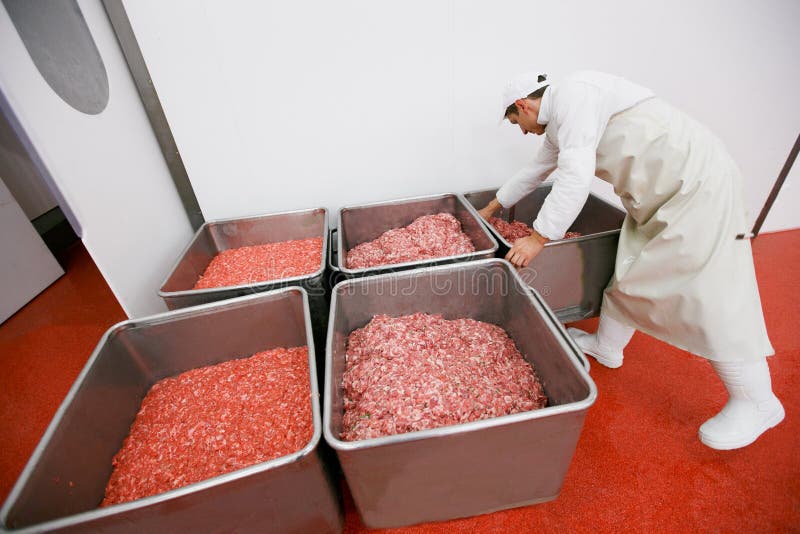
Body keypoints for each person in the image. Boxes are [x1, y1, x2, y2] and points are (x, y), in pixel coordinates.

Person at [479, 70, 784, 450]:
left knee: (710, 294)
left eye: (516, 122)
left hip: (697, 189)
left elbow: (575, 177)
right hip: (659, 198)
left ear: (524, 105)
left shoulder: (575, 97)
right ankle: (607, 347)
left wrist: (538, 238)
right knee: (629, 271)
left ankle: (757, 401)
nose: (521, 131)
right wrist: (491, 208)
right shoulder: (562, 119)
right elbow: (537, 170)